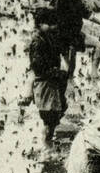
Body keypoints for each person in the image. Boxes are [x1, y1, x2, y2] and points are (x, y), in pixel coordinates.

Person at [25, 8, 68, 143]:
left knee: (55, 114)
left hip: (51, 82)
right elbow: (38, 66)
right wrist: (55, 73)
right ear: (40, 24)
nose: (52, 27)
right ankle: (46, 145)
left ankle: (47, 141)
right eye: (49, 24)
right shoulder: (38, 42)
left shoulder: (47, 37)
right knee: (49, 117)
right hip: (45, 83)